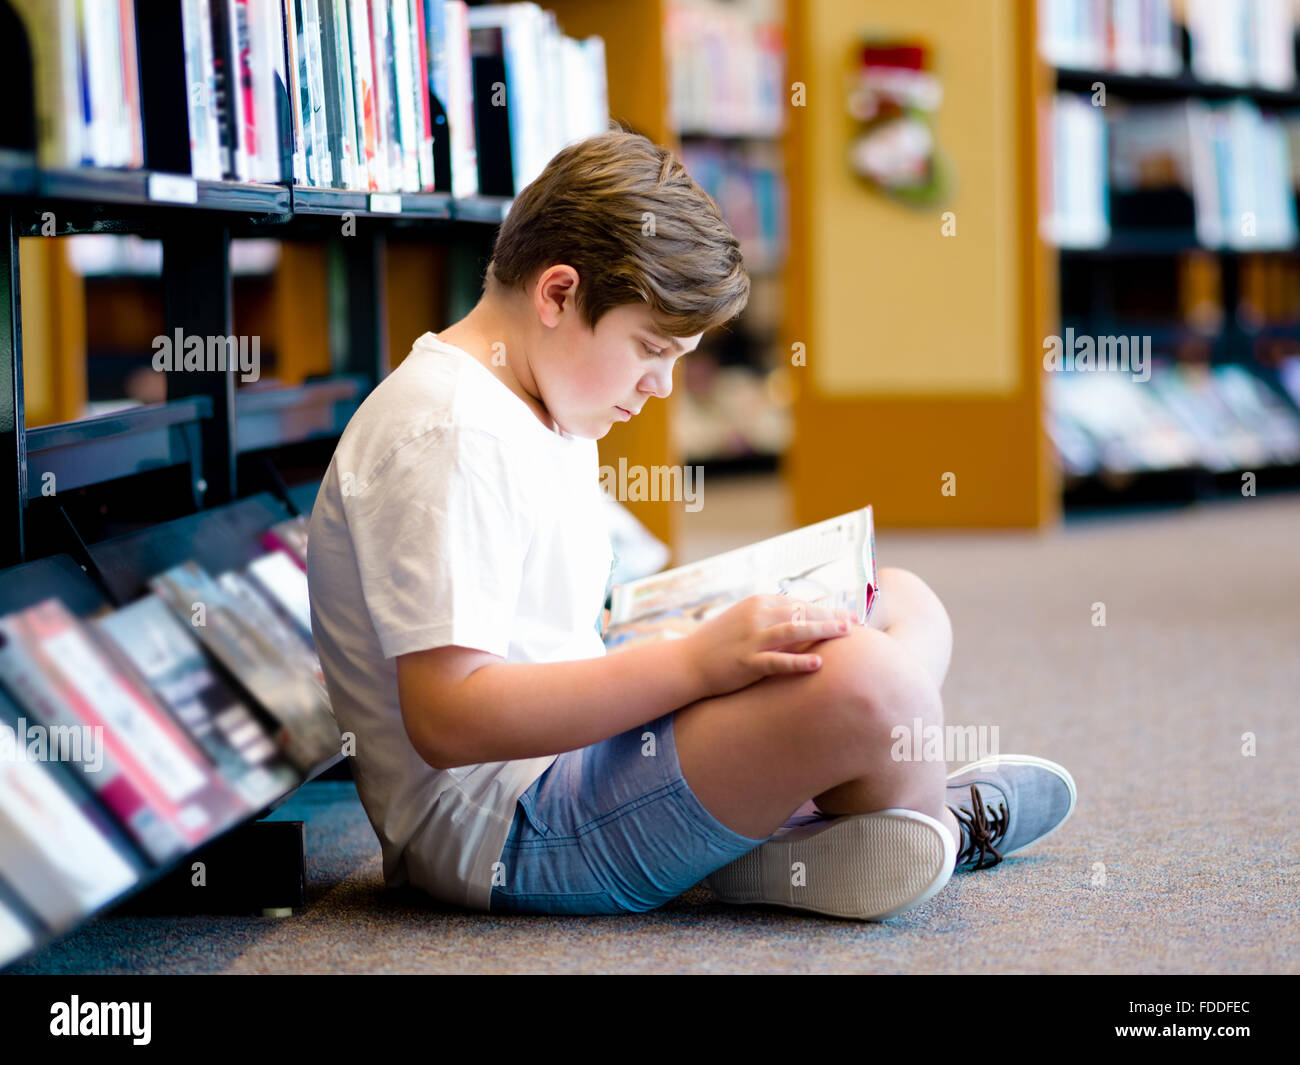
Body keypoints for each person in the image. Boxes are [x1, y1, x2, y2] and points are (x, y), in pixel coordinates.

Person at [306, 128, 1076, 921]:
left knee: (900, 600)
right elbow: (450, 716)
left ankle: (788, 831)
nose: (661, 386)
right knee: (881, 691)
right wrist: (699, 662)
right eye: (651, 348)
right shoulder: (452, 432)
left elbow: (554, 629)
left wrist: (706, 628)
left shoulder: (537, 403)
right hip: (513, 829)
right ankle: (917, 822)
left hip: (582, 756)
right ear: (559, 293)